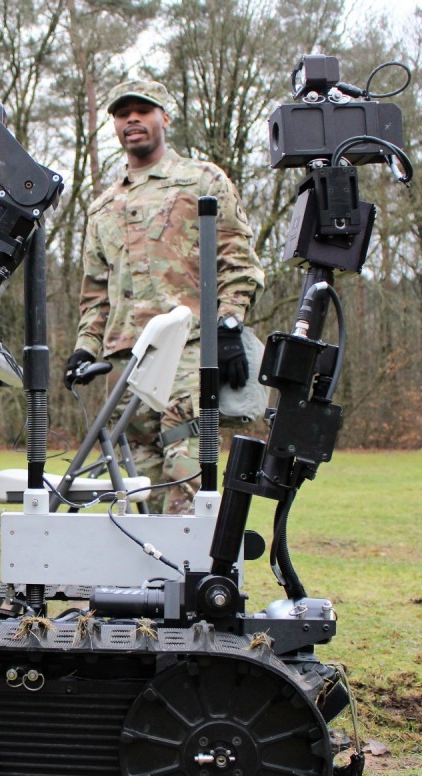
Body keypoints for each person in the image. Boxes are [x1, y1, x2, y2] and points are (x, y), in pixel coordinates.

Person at [67, 79, 265, 514]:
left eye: (143, 110)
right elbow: (95, 293)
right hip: (126, 362)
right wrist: (85, 348)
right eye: (122, 114)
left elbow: (238, 262)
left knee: (185, 469)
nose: (132, 120)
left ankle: (191, 575)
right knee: (139, 483)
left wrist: (229, 324)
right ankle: (156, 577)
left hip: (189, 350)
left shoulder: (201, 180)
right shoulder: (103, 206)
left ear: (164, 118)